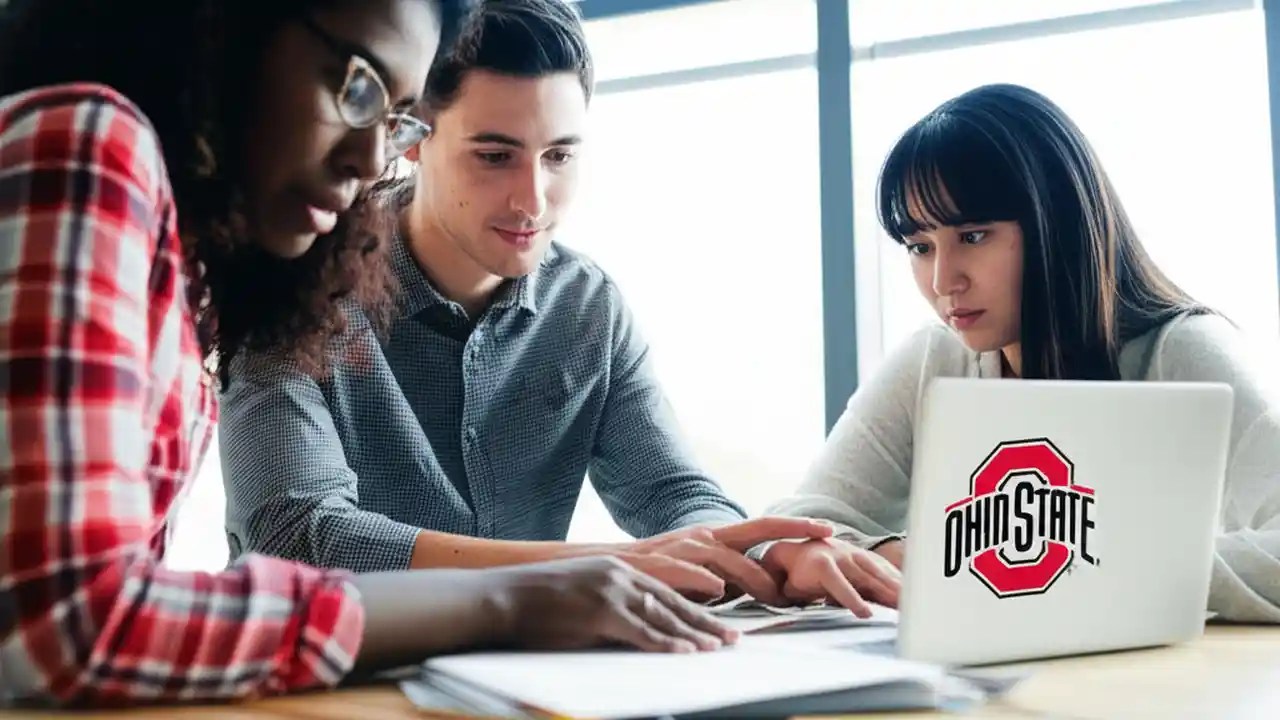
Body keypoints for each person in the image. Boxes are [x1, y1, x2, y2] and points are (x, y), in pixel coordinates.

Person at [0, 0, 742, 707]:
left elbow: (674, 491)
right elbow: (72, 621)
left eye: (390, 114)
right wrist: (524, 593)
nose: (366, 157)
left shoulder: (217, 268)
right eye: (356, 86)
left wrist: (762, 557)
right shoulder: (98, 147)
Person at [216, 0, 882, 610]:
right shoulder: (295, 282)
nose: (532, 200)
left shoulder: (586, 306)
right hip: (323, 684)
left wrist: (766, 550)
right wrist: (602, 566)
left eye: (559, 155)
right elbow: (299, 536)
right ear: (411, 134)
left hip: (526, 685)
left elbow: (670, 494)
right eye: (495, 156)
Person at [760, 83, 1280, 623]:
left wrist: (1060, 574)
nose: (943, 281)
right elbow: (799, 524)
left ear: (1056, 222)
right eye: (920, 247)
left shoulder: (1181, 351)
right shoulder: (933, 361)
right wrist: (818, 552)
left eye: (975, 236)